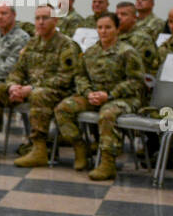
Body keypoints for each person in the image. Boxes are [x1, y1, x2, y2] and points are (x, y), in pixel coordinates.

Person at [54, 12, 145, 181]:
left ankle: (107, 162)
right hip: (94, 96)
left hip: (122, 98)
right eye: (100, 27)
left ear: (117, 29)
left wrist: (109, 95)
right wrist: (88, 93)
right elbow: (80, 76)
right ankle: (80, 147)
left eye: (108, 27)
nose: (103, 31)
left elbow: (136, 81)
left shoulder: (128, 52)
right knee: (63, 108)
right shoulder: (91, 52)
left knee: (107, 115)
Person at [0, 4, 79, 164]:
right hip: (29, 91)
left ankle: (39, 148)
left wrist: (30, 89)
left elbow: (66, 77)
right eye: (37, 18)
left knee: (38, 94)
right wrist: (13, 85)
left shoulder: (66, 45)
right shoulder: (33, 43)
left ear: (55, 20)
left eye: (45, 18)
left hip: (57, 92)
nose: (40, 22)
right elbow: (18, 70)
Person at [0, 1, 30, 82]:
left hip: (5, 81)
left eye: (4, 13)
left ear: (14, 15)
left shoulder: (22, 38)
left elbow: (10, 66)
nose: (0, 17)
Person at [117, 0, 160, 78]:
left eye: (123, 14)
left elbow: (137, 67)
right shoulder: (114, 36)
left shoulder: (142, 39)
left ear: (134, 18)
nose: (119, 17)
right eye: (117, 14)